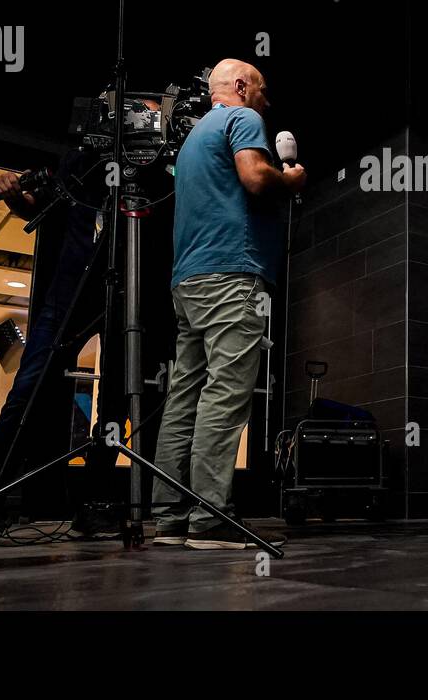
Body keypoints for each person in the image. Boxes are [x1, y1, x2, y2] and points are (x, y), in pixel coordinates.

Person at [152, 58, 303, 550]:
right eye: (261, 88)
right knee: (226, 392)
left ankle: (170, 516)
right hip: (232, 273)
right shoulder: (243, 119)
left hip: (187, 281)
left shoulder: (192, 139)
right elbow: (257, 179)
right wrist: (292, 181)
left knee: (184, 397)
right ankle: (210, 517)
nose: (266, 100)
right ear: (240, 86)